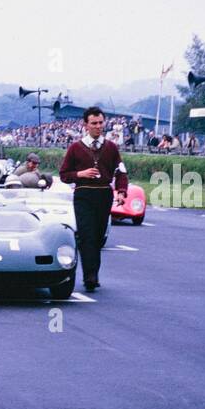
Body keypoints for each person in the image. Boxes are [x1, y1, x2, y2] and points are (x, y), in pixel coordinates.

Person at [59, 106, 127, 292]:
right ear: (85, 125)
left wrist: (121, 191)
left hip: (103, 194)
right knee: (87, 235)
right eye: (94, 123)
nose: (98, 126)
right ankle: (90, 276)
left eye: (100, 123)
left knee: (97, 237)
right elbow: (64, 174)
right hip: (83, 195)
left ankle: (93, 271)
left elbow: (120, 172)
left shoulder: (111, 148)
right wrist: (81, 173)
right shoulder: (75, 148)